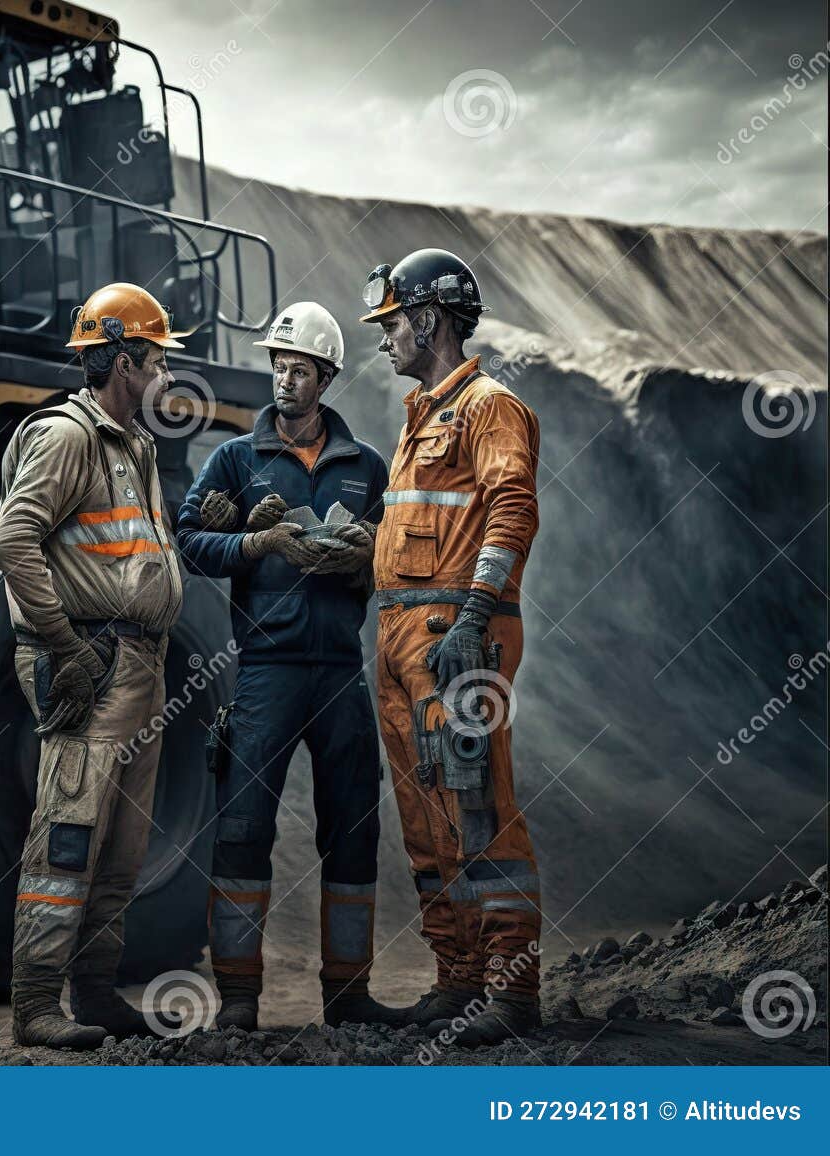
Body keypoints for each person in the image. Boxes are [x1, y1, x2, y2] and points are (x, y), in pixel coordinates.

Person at [176, 301, 402, 1030]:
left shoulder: (366, 467)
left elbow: (401, 555)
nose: (284, 382)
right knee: (243, 826)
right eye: (278, 367)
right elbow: (188, 541)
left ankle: (349, 995)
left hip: (339, 672)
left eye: (298, 370)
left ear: (326, 377)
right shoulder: (235, 461)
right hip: (266, 670)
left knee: (354, 827)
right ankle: (239, 999)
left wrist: (368, 554)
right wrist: (255, 544)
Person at [0, 282, 186, 1049]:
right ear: (124, 361)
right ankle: (36, 1004)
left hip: (138, 666)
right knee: (67, 837)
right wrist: (65, 649)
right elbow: (12, 540)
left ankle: (97, 993)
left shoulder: (132, 444)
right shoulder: (67, 438)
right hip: (92, 664)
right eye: (156, 359)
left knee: (122, 844)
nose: (164, 372)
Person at [358, 248, 543, 1044]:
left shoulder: (489, 407)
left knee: (477, 808)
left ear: (430, 320)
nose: (385, 338)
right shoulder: (423, 416)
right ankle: (459, 976)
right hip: (402, 637)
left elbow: (512, 507)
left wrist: (473, 616)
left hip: (456, 637)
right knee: (425, 814)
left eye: (394, 323)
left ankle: (511, 991)